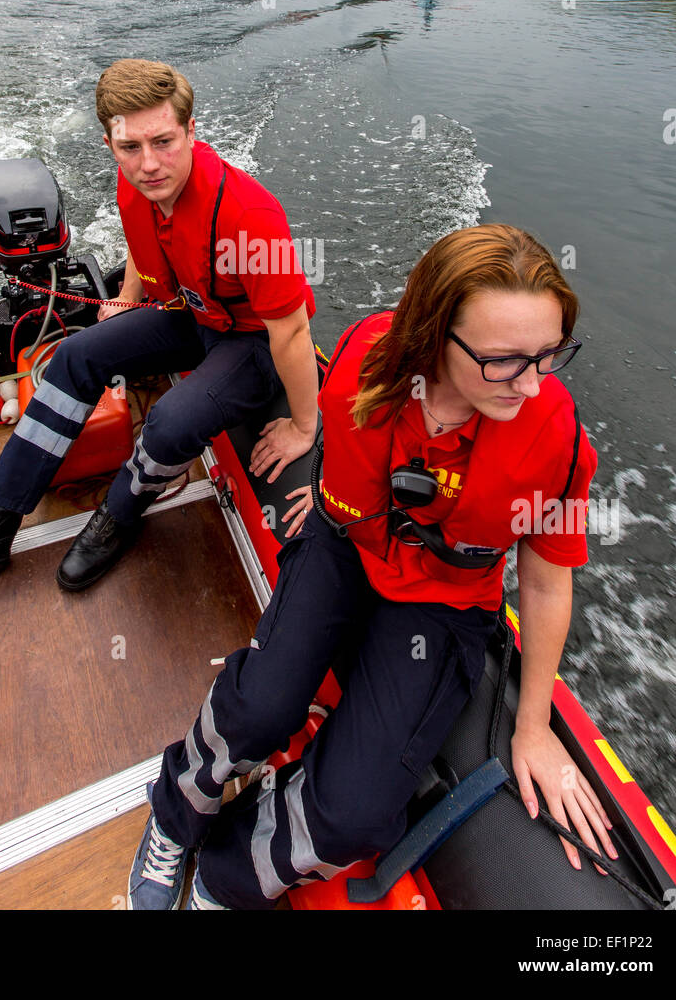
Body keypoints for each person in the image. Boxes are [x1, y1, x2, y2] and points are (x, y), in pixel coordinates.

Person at [127, 224, 618, 910]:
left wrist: (531, 728)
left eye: (549, 355)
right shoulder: (367, 367)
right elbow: (339, 473)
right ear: (434, 333)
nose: (531, 386)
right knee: (260, 708)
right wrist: (331, 494)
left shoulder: (558, 441)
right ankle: (178, 808)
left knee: (353, 814)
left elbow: (543, 577)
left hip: (445, 601)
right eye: (505, 361)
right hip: (346, 548)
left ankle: (226, 873)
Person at [0, 60, 319, 593]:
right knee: (74, 356)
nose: (149, 164)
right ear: (109, 142)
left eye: (164, 142)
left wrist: (303, 425)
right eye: (129, 147)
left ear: (191, 131)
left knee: (171, 422)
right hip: (192, 314)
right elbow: (146, 241)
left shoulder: (251, 216)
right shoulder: (138, 181)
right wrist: (129, 297)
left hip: (253, 342)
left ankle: (118, 514)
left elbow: (292, 333)